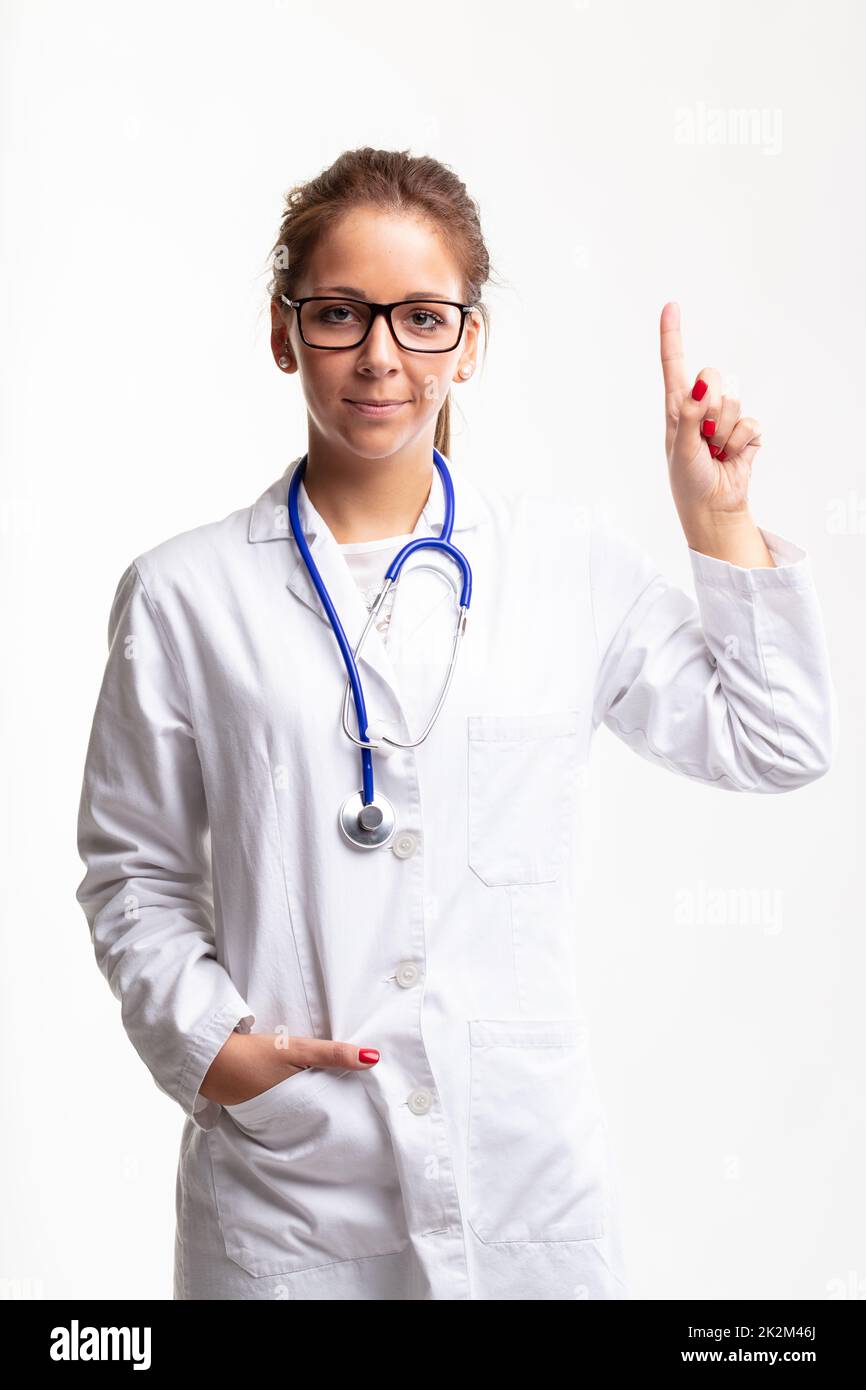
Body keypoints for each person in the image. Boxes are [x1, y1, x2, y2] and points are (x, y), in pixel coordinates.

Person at [74, 146, 838, 1301]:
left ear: (469, 341)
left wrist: (714, 515)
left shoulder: (562, 568)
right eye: (339, 314)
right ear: (284, 334)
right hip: (290, 1200)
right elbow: (130, 870)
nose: (380, 354)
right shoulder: (183, 594)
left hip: (519, 1182)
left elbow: (774, 740)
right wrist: (218, 1052)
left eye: (422, 317)